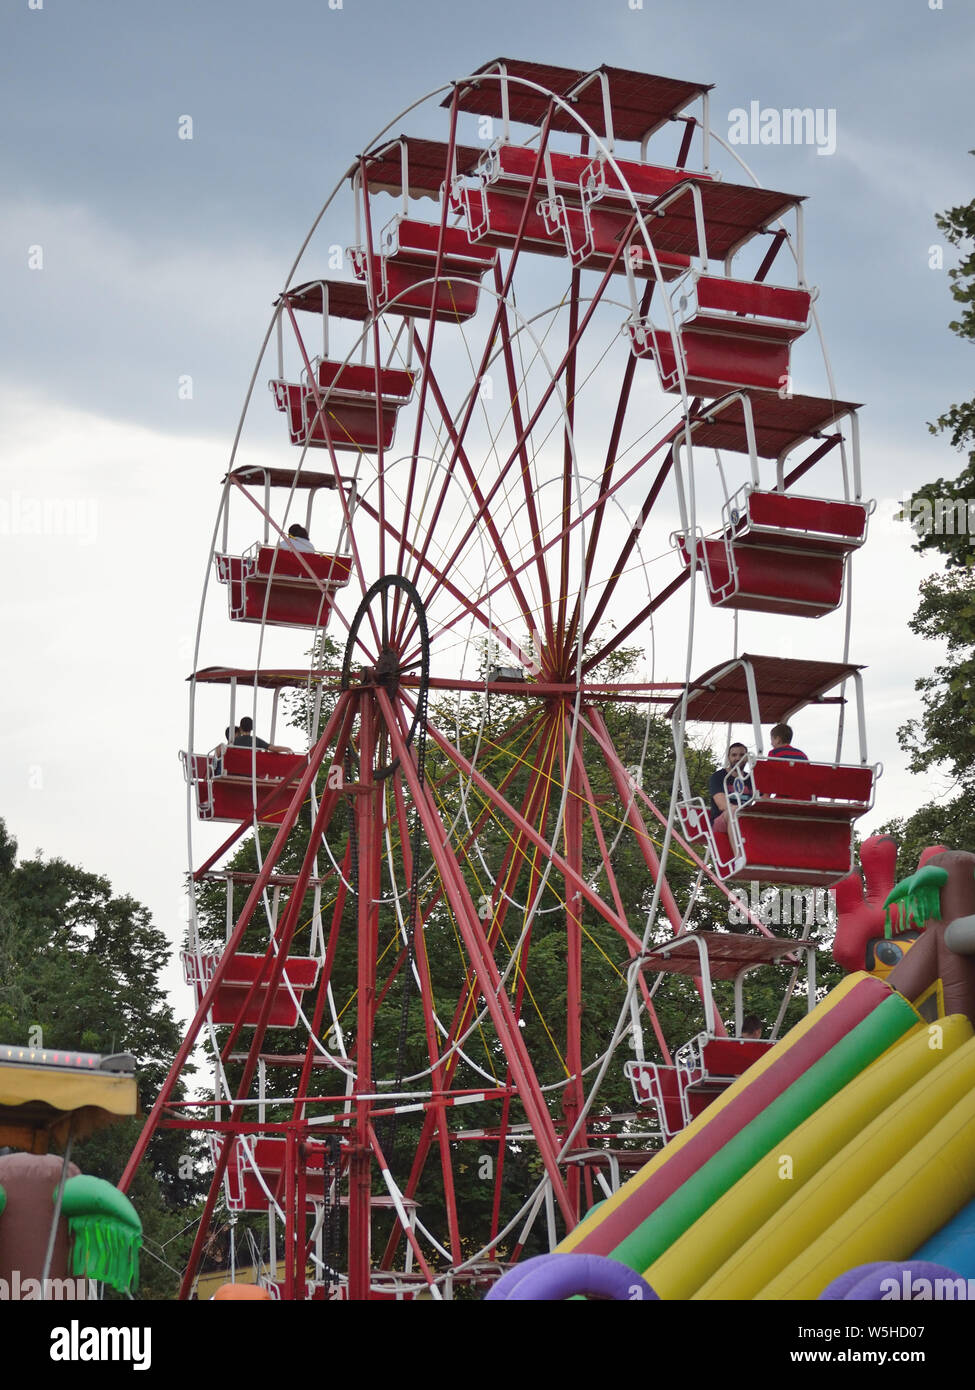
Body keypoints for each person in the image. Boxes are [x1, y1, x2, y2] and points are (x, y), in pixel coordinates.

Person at [708, 743, 753, 823]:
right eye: (734, 755)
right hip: (722, 820)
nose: (738, 758)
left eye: (742, 755)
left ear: (746, 758)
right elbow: (722, 805)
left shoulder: (751, 779)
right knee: (732, 812)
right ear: (728, 757)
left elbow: (764, 799)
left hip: (746, 819)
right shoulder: (718, 776)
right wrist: (741, 812)